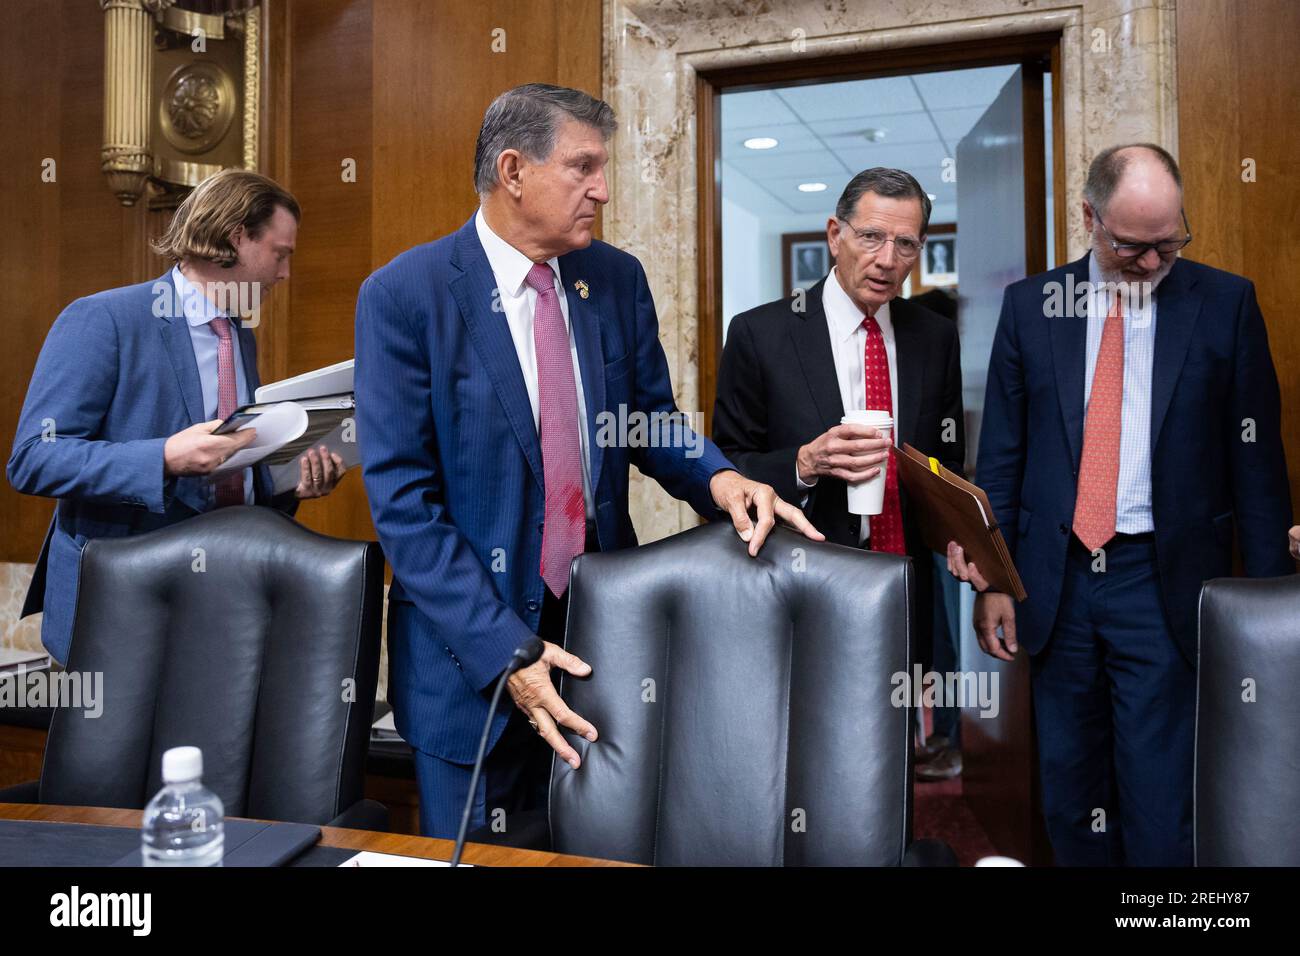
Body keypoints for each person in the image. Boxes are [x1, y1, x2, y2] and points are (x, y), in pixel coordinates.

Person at [354, 83, 821, 839]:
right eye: (583, 168)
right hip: (469, 661)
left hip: (605, 640)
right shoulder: (405, 297)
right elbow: (405, 506)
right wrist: (507, 652)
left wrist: (721, 477)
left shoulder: (613, 278)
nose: (603, 190)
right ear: (513, 171)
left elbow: (646, 420)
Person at [948, 143, 1293, 865]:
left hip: (1162, 581)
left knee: (1161, 802)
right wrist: (995, 581)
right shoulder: (1030, 306)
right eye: (1133, 246)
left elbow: (1256, 466)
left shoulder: (1224, 304)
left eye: (1170, 242)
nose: (1152, 262)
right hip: (1057, 581)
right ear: (1090, 219)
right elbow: (1003, 460)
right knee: (1071, 797)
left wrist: (1265, 609)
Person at [8, 169, 347, 667]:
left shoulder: (239, 336)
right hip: (120, 614)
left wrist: (285, 485)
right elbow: (34, 458)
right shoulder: (103, 319)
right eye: (280, 253)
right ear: (236, 239)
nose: (284, 274)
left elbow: (221, 469)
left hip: (220, 609)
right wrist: (165, 457)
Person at [713, 167, 965, 777]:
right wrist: (802, 463)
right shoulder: (760, 334)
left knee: (884, 777)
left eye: (906, 244)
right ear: (834, 234)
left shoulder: (933, 337)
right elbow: (724, 473)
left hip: (902, 590)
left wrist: (965, 534)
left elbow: (946, 463)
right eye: (872, 237)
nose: (888, 259)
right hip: (797, 593)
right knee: (797, 773)